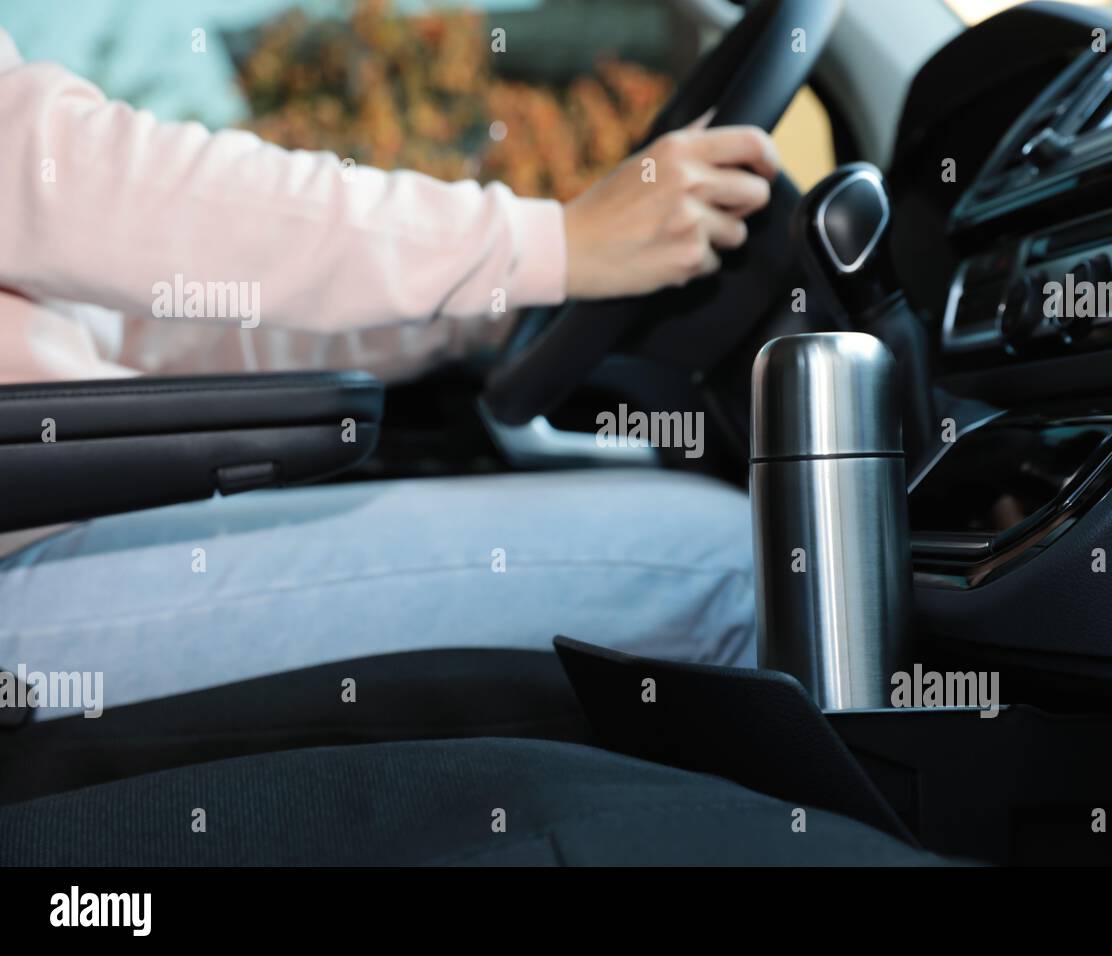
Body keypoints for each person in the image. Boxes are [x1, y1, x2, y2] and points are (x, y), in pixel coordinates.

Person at [0, 24, 777, 717]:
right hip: (21, 596)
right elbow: (73, 177)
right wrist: (546, 245)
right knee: (737, 570)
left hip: (61, 532)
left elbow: (157, 327)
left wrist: (493, 297)